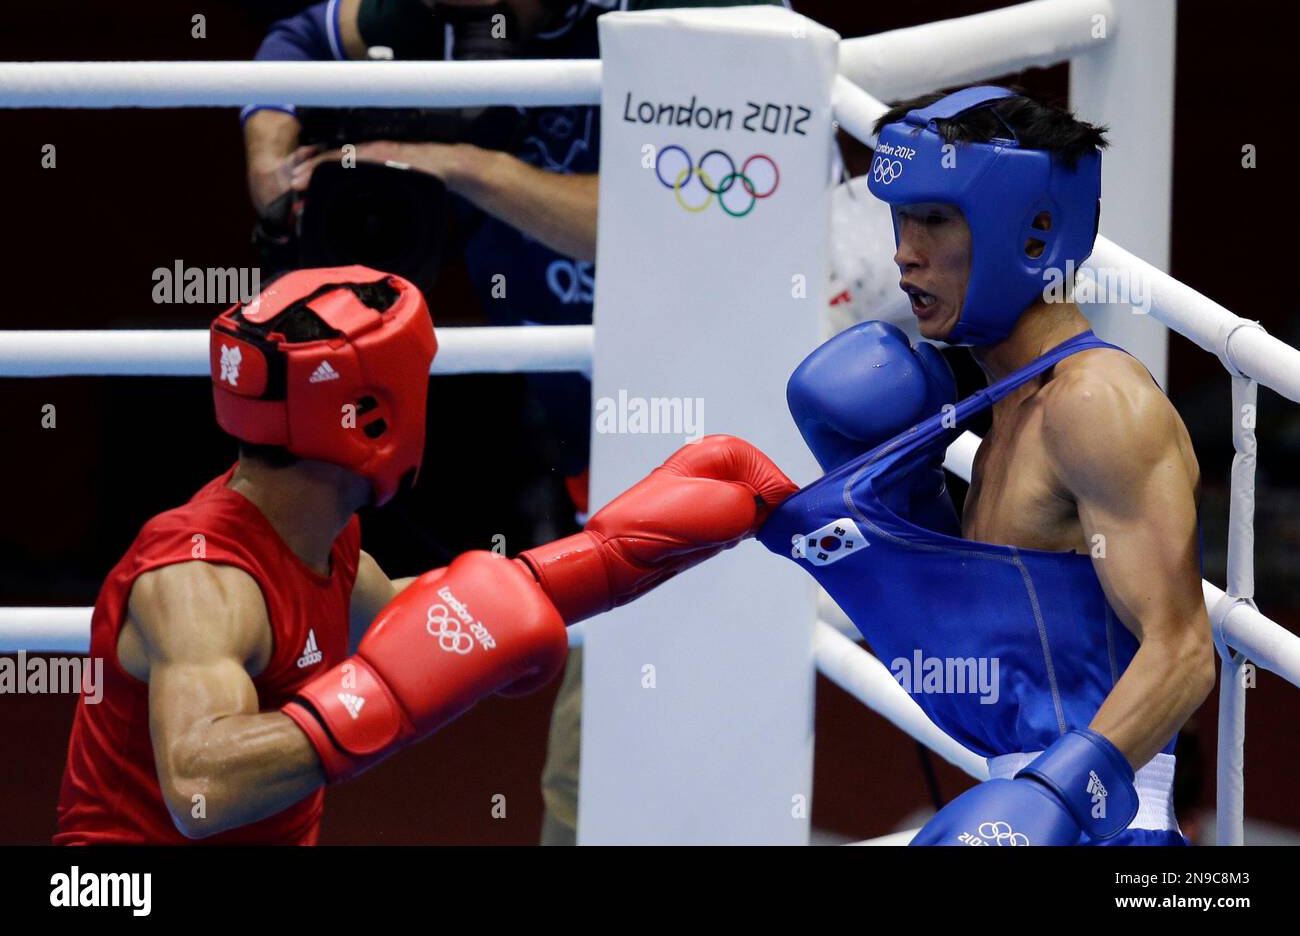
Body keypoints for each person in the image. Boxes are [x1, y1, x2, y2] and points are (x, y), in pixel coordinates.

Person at [54, 266, 795, 844]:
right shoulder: (199, 582)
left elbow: (443, 619)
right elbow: (198, 788)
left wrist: (617, 554)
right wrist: (373, 703)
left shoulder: (319, 537)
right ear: (373, 416)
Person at [759, 86, 1215, 845]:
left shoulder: (1096, 402)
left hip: (1107, 823)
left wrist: (1056, 796)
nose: (904, 251)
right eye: (901, 218)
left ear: (1033, 231)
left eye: (935, 219)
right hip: (1022, 803)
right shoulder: (1006, 405)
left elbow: (1184, 649)